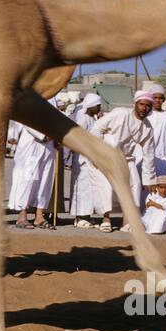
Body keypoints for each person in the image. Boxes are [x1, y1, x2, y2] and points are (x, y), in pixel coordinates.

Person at [92, 92, 158, 231]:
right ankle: (106, 219)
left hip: (127, 158)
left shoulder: (147, 127)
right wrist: (96, 153)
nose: (144, 108)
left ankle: (128, 221)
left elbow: (149, 154)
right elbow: (98, 128)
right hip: (107, 156)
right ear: (135, 104)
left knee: (136, 184)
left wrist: (149, 179)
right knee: (107, 186)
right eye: (141, 104)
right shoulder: (120, 113)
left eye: (148, 106)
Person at [71, 93, 114, 229]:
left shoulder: (92, 119)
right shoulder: (82, 119)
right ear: (92, 106)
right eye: (98, 106)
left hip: (90, 158)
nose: (100, 108)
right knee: (82, 188)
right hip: (82, 158)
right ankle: (79, 217)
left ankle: (87, 216)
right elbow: (78, 138)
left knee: (90, 188)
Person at [8, 120, 58, 229]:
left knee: (45, 181)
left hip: (48, 147)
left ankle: (39, 216)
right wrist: (42, 136)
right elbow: (24, 118)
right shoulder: (30, 102)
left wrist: (58, 137)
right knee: (26, 180)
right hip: (31, 145)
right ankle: (22, 215)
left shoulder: (53, 103)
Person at [142, 83, 166, 200]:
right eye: (155, 98)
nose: (158, 100)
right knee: (144, 187)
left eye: (160, 98)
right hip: (145, 158)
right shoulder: (145, 115)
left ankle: (161, 214)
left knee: (163, 188)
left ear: (163, 100)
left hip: (163, 160)